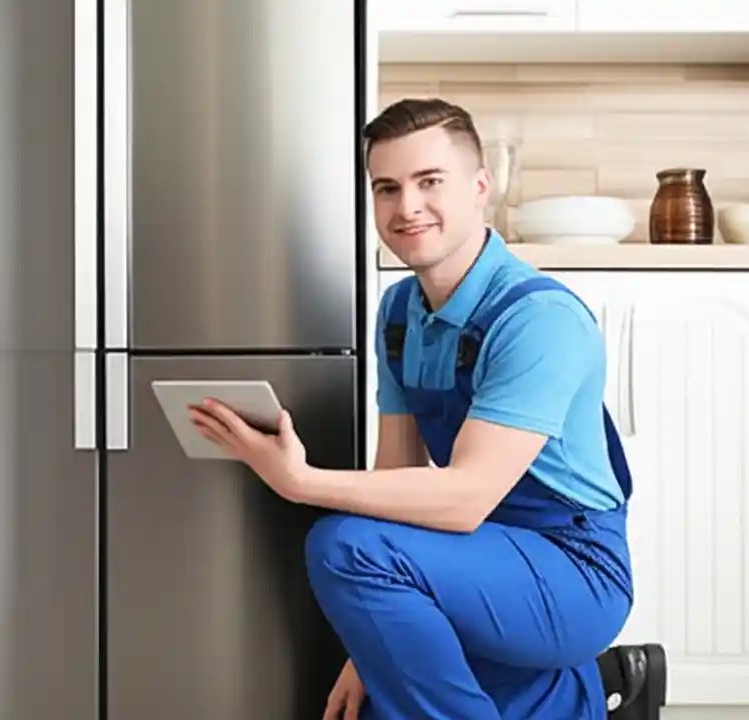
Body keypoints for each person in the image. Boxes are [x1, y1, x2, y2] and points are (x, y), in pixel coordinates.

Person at [188, 97, 665, 719]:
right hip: (482, 561)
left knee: (345, 545)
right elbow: (394, 481)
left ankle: (583, 669)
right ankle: (609, 690)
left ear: (479, 188)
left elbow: (464, 499)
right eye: (386, 188)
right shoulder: (398, 313)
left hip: (573, 571)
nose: (406, 206)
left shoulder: (536, 319)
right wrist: (369, 642)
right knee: (383, 703)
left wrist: (299, 482)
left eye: (429, 182)